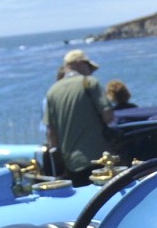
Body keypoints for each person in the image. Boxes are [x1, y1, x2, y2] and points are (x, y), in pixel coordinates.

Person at [44, 48, 115, 176]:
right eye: (88, 66)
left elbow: (51, 134)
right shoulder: (89, 82)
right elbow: (108, 116)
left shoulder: (52, 91)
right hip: (98, 158)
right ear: (80, 63)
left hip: (71, 164)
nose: (90, 71)